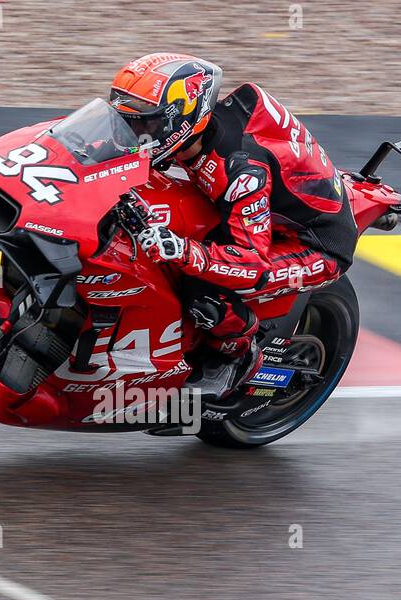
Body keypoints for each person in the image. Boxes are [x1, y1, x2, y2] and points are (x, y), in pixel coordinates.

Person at [108, 53, 357, 396]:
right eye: (126, 120)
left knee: (201, 288)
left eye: (145, 124)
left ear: (182, 119)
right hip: (261, 207)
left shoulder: (241, 171)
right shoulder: (193, 138)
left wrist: (181, 250)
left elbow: (251, 263)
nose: (134, 132)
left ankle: (238, 354)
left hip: (313, 244)